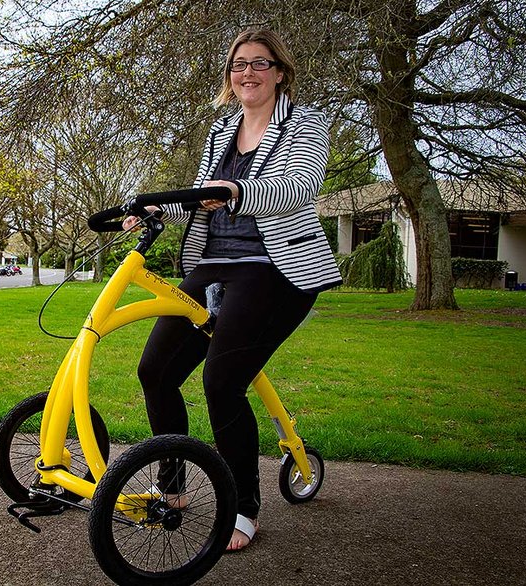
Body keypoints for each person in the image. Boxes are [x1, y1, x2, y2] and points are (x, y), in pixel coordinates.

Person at [123, 29, 342, 552]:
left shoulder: (306, 124)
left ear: (280, 72)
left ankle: (244, 507)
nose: (248, 73)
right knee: (156, 371)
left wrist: (239, 190)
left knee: (222, 382)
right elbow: (203, 198)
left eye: (260, 63)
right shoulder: (221, 131)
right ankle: (171, 489)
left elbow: (298, 186)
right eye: (239, 64)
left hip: (275, 269)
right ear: (230, 76)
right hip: (214, 265)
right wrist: (155, 208)